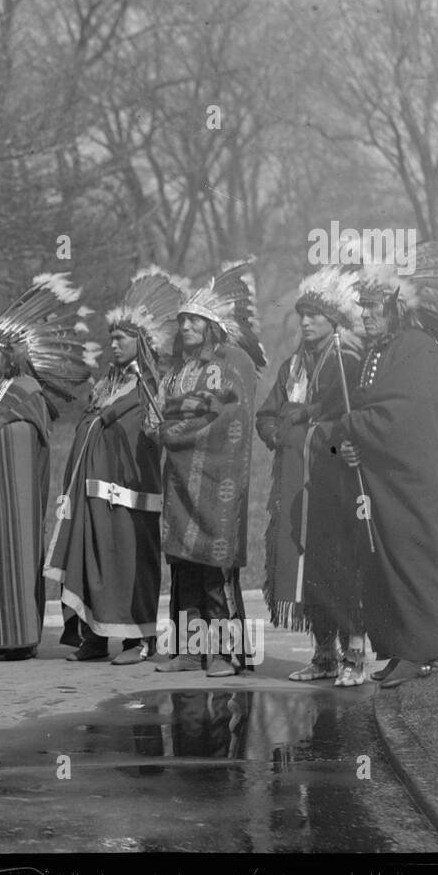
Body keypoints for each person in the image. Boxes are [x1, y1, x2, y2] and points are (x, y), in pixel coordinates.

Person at [326, 245, 438, 689]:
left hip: (410, 477)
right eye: (361, 307)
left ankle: (422, 650)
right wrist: (350, 444)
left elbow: (404, 414)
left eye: (373, 307)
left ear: (397, 308)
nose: (364, 315)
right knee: (386, 559)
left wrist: (349, 425)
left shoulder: (418, 349)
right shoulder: (377, 351)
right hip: (384, 476)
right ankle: (406, 646)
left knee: (411, 557)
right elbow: (370, 409)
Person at [0, 274, 97, 661]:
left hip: (13, 497)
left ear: (9, 355)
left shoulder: (27, 390)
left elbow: (20, 431)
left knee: (14, 556)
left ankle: (19, 637)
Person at [46, 268, 181, 665]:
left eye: (122, 339)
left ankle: (137, 640)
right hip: (91, 494)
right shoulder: (106, 384)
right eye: (112, 339)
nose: (115, 345)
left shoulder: (151, 389)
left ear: (141, 342)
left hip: (130, 498)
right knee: (93, 566)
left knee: (127, 567)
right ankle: (94, 638)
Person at [154, 260, 265, 678]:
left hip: (218, 478)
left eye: (193, 322)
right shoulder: (180, 369)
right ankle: (188, 649)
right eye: (182, 321)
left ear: (212, 327)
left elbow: (229, 418)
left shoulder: (233, 360)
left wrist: (176, 427)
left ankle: (224, 654)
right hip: (180, 480)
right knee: (183, 564)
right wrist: (164, 424)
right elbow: (171, 410)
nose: (185, 328)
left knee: (214, 567)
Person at [257, 267, 367, 685]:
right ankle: (324, 655)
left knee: (339, 564)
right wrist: (277, 433)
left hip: (334, 482)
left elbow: (347, 421)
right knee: (308, 567)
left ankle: (355, 655)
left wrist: (308, 425)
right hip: (293, 483)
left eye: (314, 315)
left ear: (334, 320)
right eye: (302, 314)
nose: (305, 322)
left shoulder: (347, 362)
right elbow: (266, 414)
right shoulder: (292, 366)